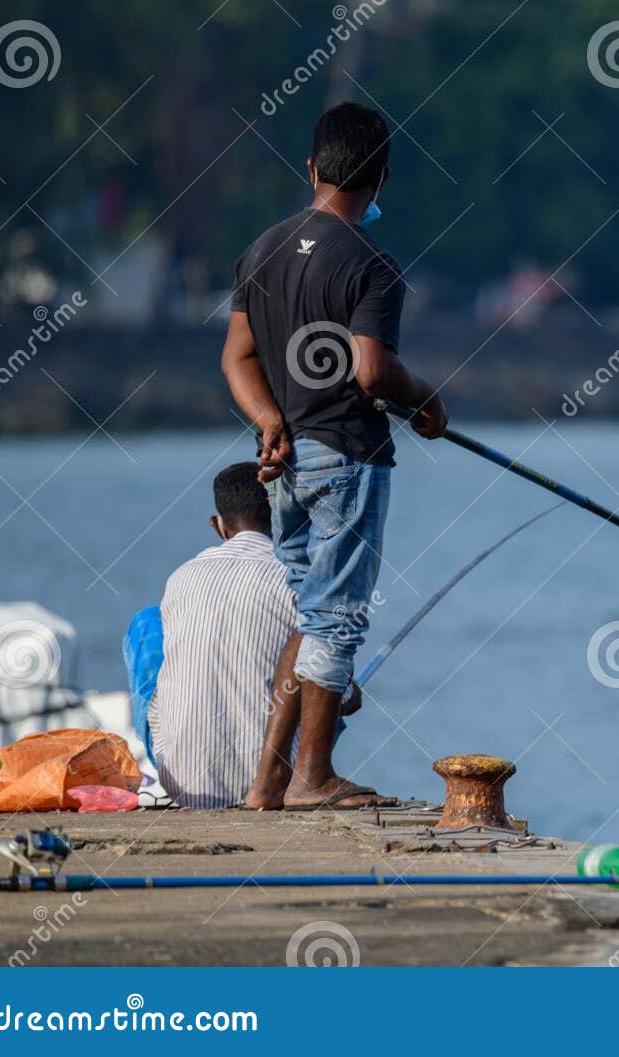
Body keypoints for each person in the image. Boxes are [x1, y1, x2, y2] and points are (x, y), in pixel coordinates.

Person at [222, 101, 446, 809]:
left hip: (282, 461)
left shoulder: (259, 249)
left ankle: (268, 782)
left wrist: (268, 420)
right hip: (346, 454)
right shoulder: (373, 262)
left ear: (313, 168)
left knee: (309, 614)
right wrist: (426, 400)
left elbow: (238, 357)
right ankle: (313, 775)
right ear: (379, 180)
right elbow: (372, 370)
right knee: (336, 617)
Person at [147, 464, 298, 808]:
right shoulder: (296, 580)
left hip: (182, 782)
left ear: (218, 526)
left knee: (146, 627)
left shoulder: (181, 577)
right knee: (326, 688)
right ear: (284, 515)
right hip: (272, 781)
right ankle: (308, 779)